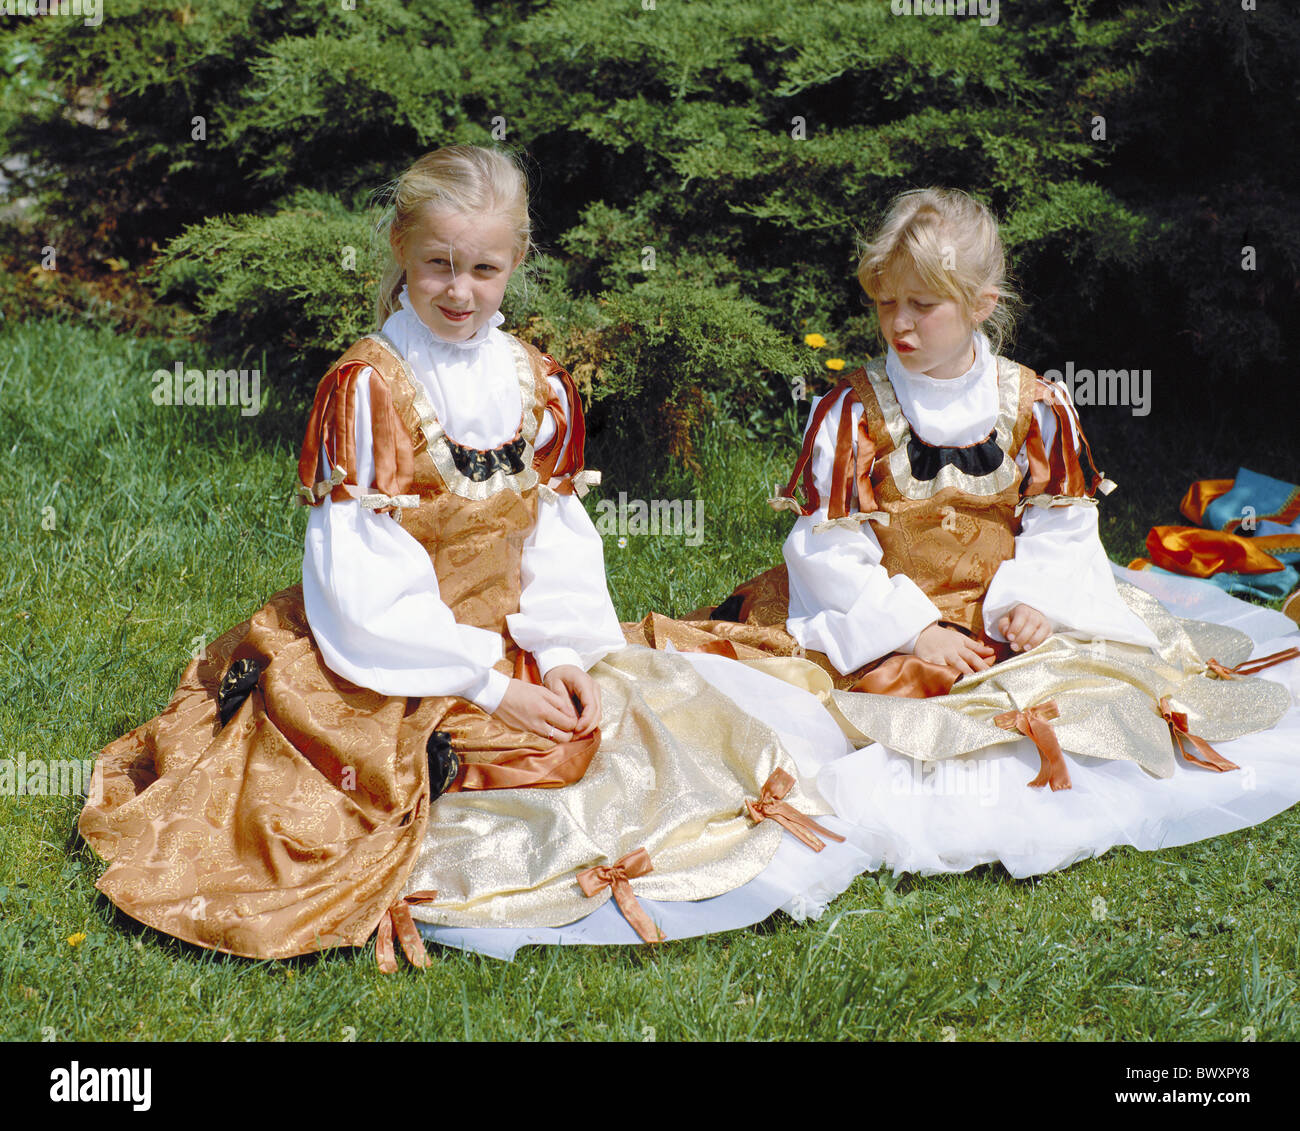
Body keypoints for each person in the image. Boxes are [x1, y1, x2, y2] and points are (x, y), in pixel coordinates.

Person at [78, 146, 863, 968]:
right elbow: (364, 582)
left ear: (516, 261)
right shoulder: (369, 389)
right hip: (390, 653)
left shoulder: (539, 384)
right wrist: (489, 684)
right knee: (348, 796)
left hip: (510, 634)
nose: (460, 290)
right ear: (400, 252)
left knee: (602, 744)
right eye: (438, 266)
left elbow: (554, 542)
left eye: (484, 269)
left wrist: (559, 655)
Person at [626, 188, 1300, 875]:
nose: (901, 324)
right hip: (885, 618)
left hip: (1001, 615)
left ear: (982, 303)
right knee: (857, 717)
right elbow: (830, 551)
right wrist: (915, 630)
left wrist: (1033, 601)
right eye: (888, 303)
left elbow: (1061, 525)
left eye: (924, 305)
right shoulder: (852, 415)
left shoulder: (1034, 405)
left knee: (1084, 700)